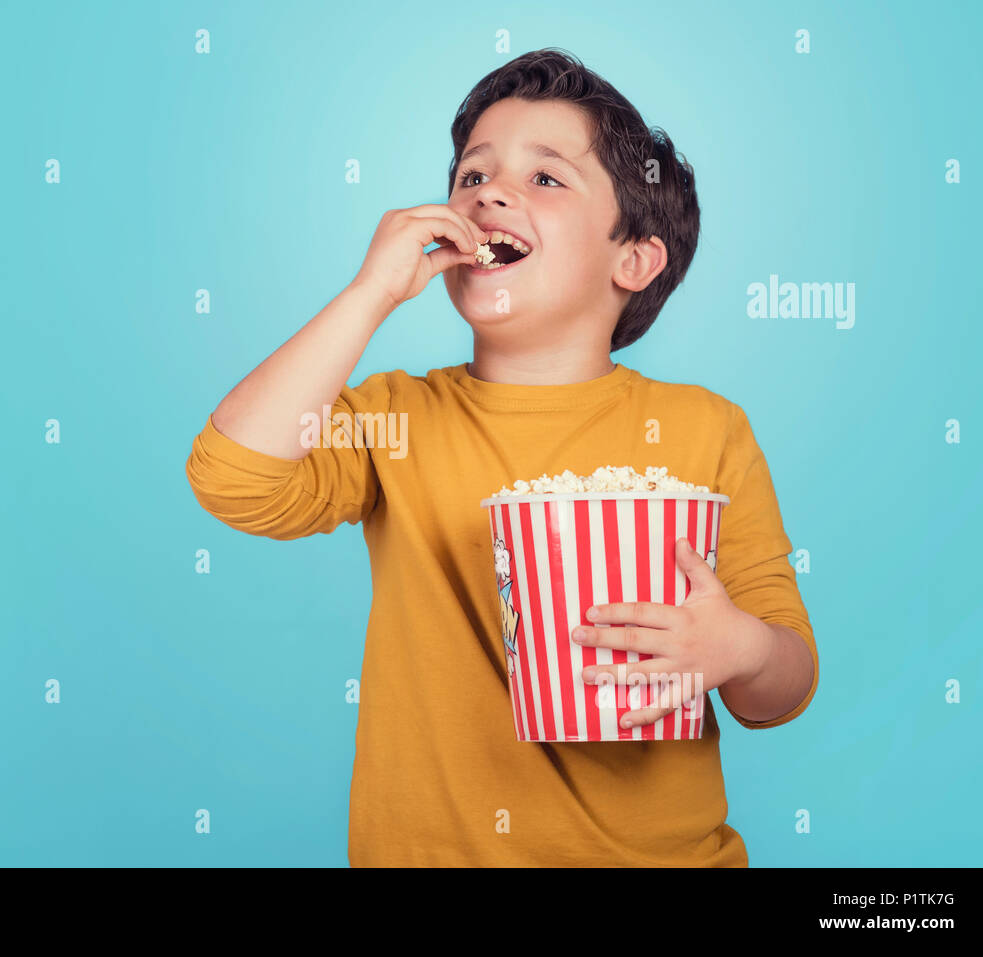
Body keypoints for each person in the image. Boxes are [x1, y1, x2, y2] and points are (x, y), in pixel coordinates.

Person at [185, 48, 817, 866]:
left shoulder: (706, 430)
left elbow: (783, 688)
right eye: (471, 175)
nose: (488, 192)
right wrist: (368, 294)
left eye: (546, 179)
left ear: (635, 258)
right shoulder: (395, 418)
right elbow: (234, 477)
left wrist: (741, 650)